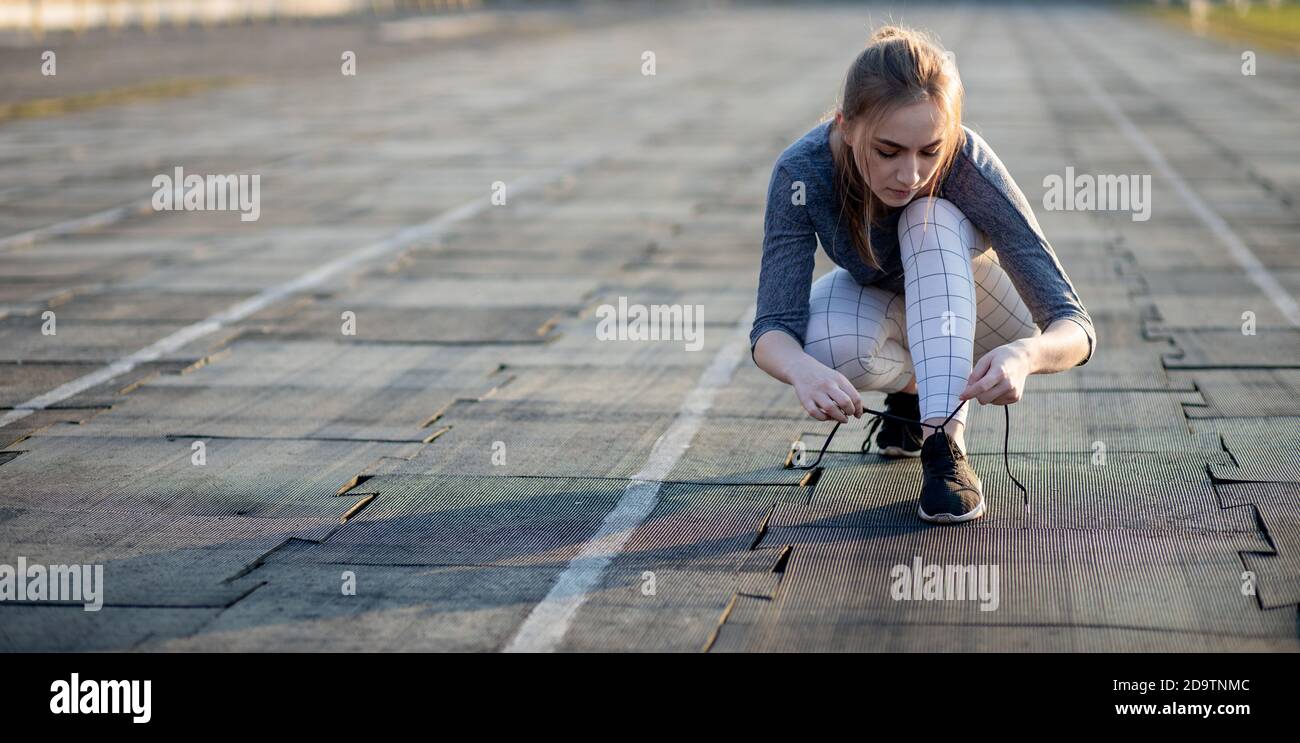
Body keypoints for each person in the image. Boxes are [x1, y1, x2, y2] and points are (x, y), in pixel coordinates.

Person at [750, 25, 1096, 524]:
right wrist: (803, 372)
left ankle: (945, 448)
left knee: (925, 217)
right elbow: (771, 328)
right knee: (822, 347)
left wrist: (1026, 356)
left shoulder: (966, 162)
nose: (910, 175)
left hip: (981, 312)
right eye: (888, 152)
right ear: (847, 126)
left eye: (929, 151)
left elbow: (1074, 325)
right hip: (894, 311)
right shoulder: (801, 173)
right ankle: (916, 395)